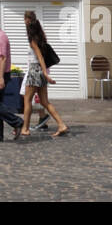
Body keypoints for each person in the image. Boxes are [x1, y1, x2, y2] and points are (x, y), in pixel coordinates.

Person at [19, 10, 70, 138]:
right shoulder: (41, 37)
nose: (24, 22)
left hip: (34, 71)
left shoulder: (32, 40)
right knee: (44, 101)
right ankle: (61, 124)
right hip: (40, 71)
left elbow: (40, 57)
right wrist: (45, 73)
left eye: (25, 20)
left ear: (27, 21)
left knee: (27, 100)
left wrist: (46, 75)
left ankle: (25, 128)